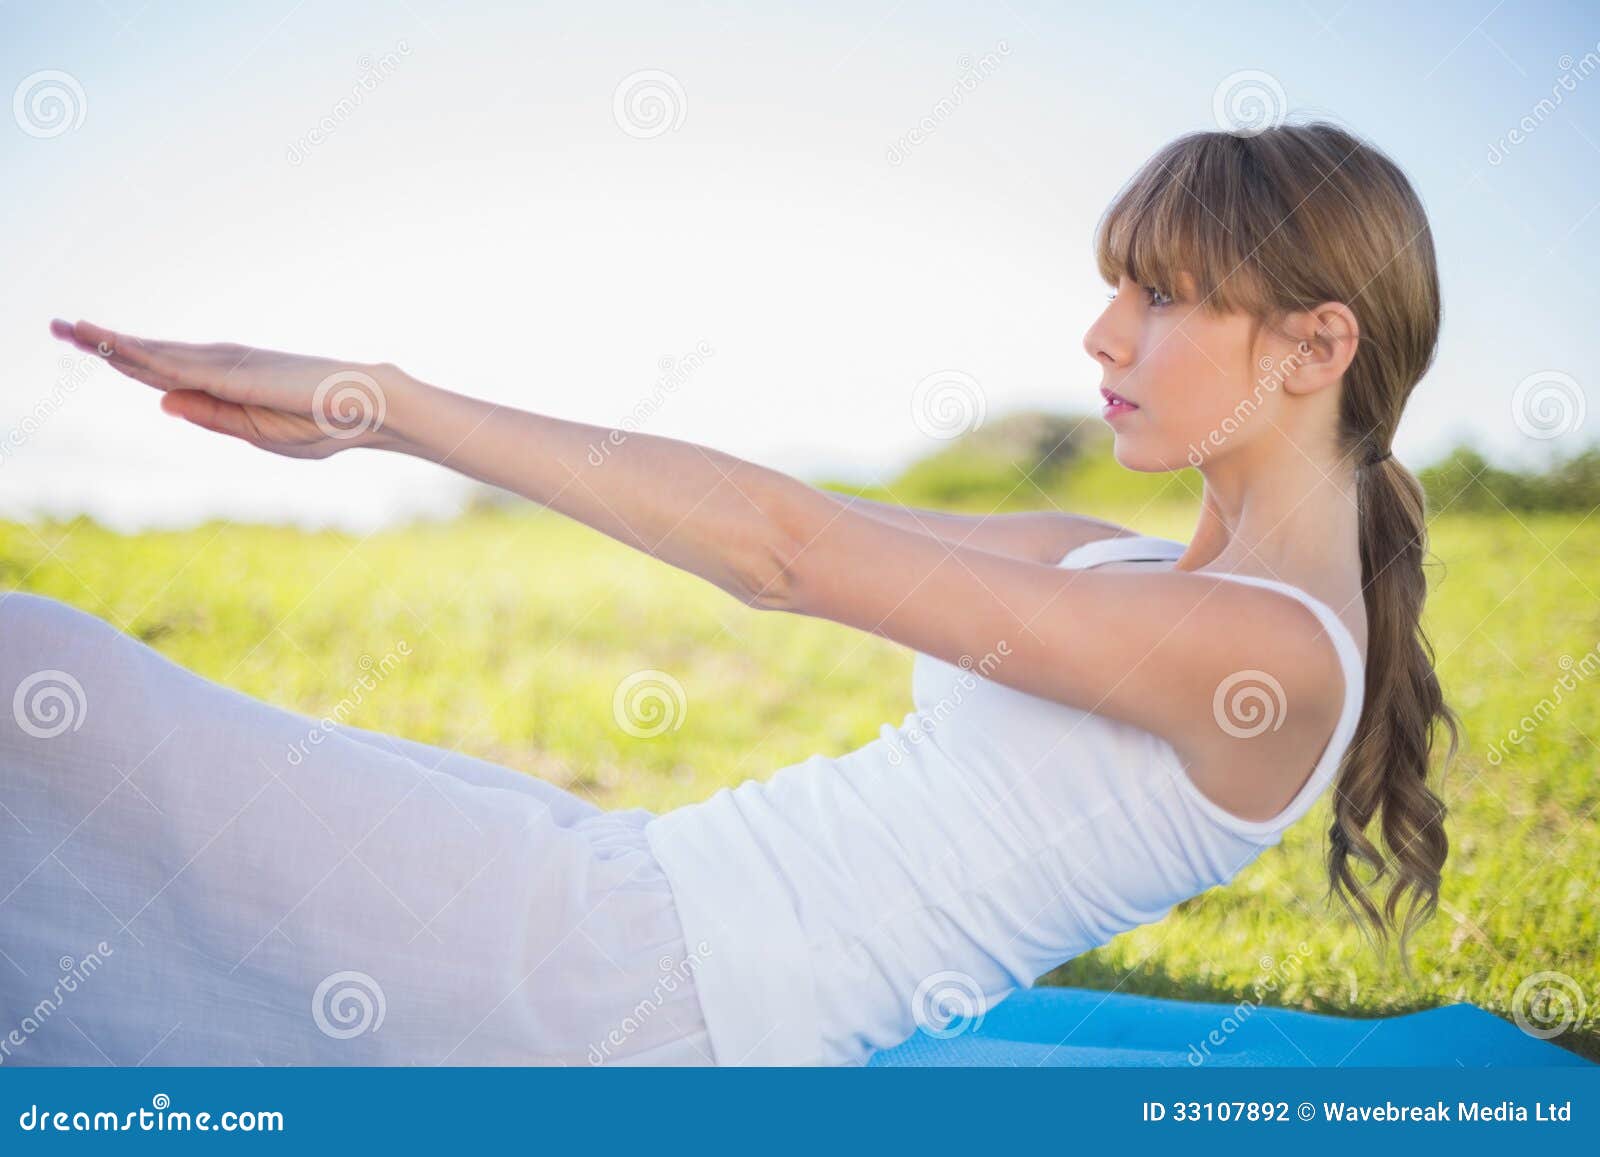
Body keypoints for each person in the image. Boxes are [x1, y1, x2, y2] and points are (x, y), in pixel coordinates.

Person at [1, 120, 1458, 1067]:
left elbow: (786, 559)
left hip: (635, 1002)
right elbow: (797, 517)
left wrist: (384, 402)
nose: (1102, 329)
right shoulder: (1118, 564)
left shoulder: (1271, 656)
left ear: (1315, 345)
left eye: (1164, 294)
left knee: (41, 694)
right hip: (627, 894)